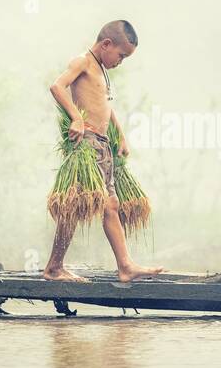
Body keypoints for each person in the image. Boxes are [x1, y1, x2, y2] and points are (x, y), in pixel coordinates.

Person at [43, 20, 165, 283]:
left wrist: (119, 135)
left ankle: (125, 266)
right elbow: (57, 86)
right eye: (121, 55)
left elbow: (105, 108)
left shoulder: (102, 71)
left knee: (111, 204)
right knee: (77, 204)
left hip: (101, 144)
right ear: (106, 44)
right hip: (86, 143)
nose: (121, 61)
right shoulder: (82, 62)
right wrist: (76, 117)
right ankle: (54, 267)